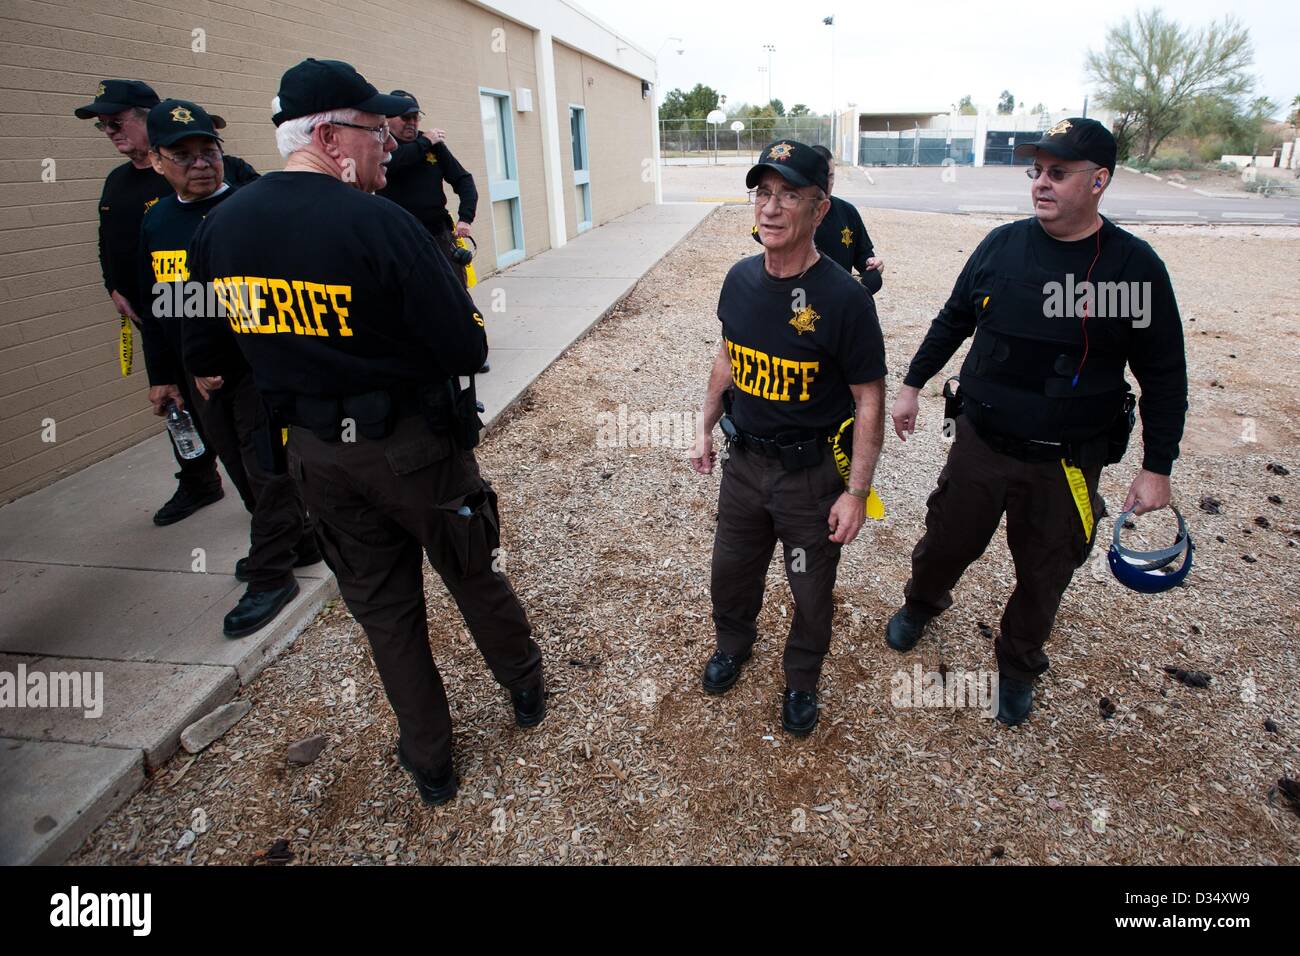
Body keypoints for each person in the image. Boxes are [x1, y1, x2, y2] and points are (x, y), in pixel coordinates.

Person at [184, 59, 544, 806]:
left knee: (387, 616)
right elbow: (466, 347)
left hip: (317, 460)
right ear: (328, 135)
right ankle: (526, 688)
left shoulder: (221, 227)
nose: (388, 142)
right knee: (473, 575)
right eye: (373, 129)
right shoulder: (384, 223)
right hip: (413, 450)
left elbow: (214, 356)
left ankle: (432, 763)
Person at [884, 118, 1188, 725]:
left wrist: (1158, 469)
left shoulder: (1132, 269)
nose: (1041, 184)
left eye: (1059, 172)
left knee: (1047, 568)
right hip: (981, 441)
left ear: (1100, 180)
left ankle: (1019, 664)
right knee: (945, 539)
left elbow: (1163, 375)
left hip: (1068, 460)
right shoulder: (1002, 246)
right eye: (1037, 171)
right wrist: (912, 384)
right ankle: (922, 603)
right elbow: (953, 319)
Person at [690, 140, 887, 736]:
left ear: (819, 209)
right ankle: (733, 644)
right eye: (764, 193)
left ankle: (802, 679)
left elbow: (869, 397)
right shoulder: (740, 280)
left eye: (790, 196)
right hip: (745, 466)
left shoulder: (845, 300)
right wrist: (703, 425)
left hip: (810, 478)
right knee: (731, 570)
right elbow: (729, 352)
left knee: (809, 589)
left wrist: (856, 491)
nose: (771, 209)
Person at [140, 98, 317, 638]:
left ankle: (271, 575)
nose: (200, 163)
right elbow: (160, 304)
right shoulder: (157, 220)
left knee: (268, 469)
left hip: (253, 370)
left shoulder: (250, 210)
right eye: (183, 154)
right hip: (199, 378)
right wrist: (164, 374)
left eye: (208, 150)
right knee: (240, 471)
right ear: (156, 161)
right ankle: (296, 539)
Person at [75, 79, 257, 525]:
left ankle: (284, 543)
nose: (199, 164)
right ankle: (202, 481)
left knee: (262, 455)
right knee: (203, 427)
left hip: (240, 346)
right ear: (159, 161)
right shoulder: (133, 196)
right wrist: (116, 289)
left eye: (116, 121)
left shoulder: (239, 189)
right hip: (177, 334)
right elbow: (135, 268)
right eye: (103, 126)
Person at [376, 90, 478, 287]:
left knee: (454, 288)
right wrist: (425, 142)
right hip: (399, 237)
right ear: (387, 119)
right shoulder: (382, 145)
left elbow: (463, 179)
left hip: (437, 232)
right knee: (412, 291)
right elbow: (393, 163)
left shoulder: (433, 146)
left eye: (416, 117)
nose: (412, 122)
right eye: (406, 117)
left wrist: (466, 217)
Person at [751, 144, 884, 293]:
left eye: (830, 176)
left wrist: (871, 263)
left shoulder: (848, 212)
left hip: (837, 295)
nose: (826, 182)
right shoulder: (790, 215)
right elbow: (761, 233)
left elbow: (863, 253)